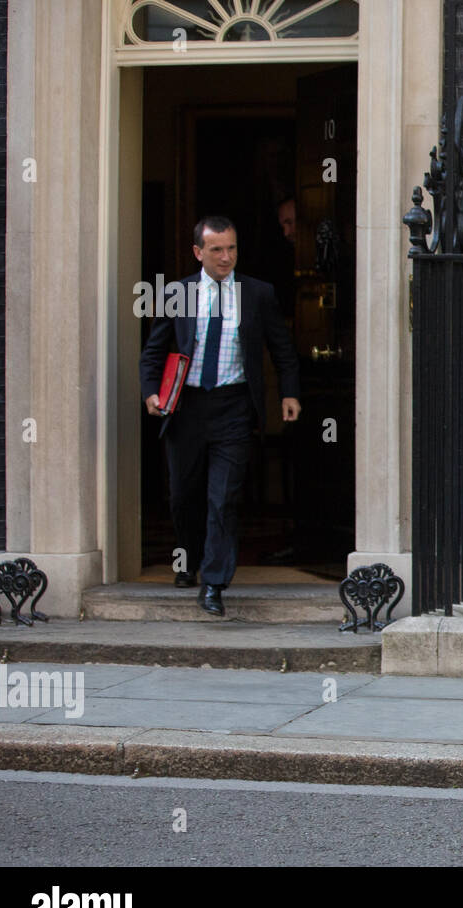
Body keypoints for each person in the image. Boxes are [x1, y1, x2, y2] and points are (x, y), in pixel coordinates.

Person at [139, 215, 302, 616]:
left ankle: (213, 583)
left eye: (231, 248)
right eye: (216, 249)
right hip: (186, 408)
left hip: (233, 407)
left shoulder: (257, 294)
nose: (226, 257)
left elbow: (282, 349)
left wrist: (289, 394)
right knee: (183, 495)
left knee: (222, 498)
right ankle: (190, 559)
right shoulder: (178, 293)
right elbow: (154, 350)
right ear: (199, 252)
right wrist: (149, 394)